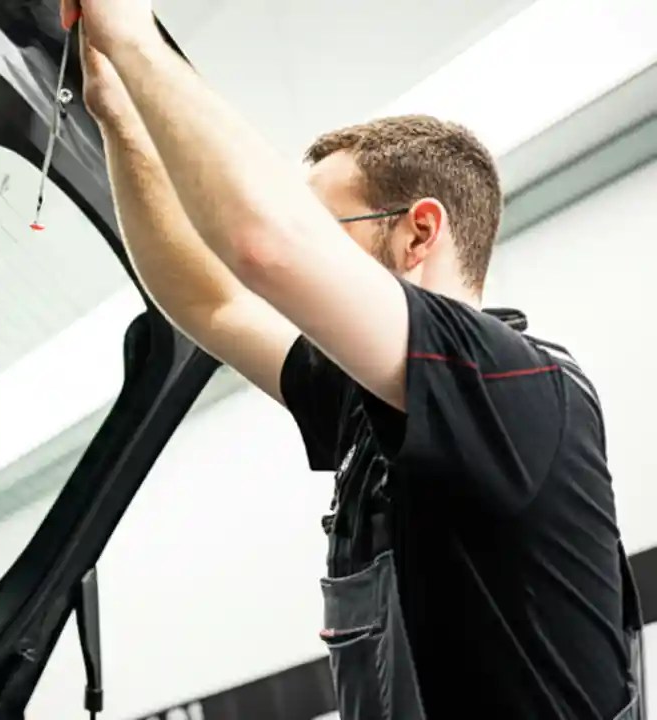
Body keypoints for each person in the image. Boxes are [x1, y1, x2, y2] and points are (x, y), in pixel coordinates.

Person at [61, 0, 644, 717]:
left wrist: (134, 39)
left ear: (418, 233)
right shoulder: (376, 402)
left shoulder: (511, 386)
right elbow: (210, 302)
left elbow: (263, 246)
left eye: (321, 228)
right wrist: (116, 115)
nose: (309, 255)